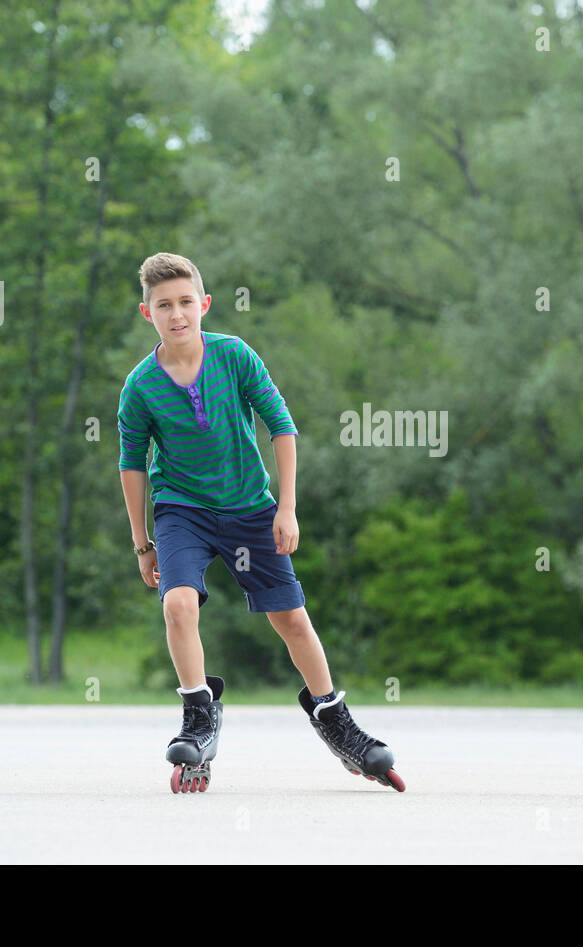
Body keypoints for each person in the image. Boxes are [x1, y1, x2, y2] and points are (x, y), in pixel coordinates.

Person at [117, 252, 404, 794]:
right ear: (146, 312)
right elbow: (131, 465)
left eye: (184, 302)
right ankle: (199, 715)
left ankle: (334, 719)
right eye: (163, 306)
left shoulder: (233, 356)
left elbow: (282, 425)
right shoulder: (140, 386)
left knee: (292, 619)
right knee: (178, 603)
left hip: (251, 508)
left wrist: (286, 508)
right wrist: (142, 543)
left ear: (203, 304)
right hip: (182, 511)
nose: (176, 314)